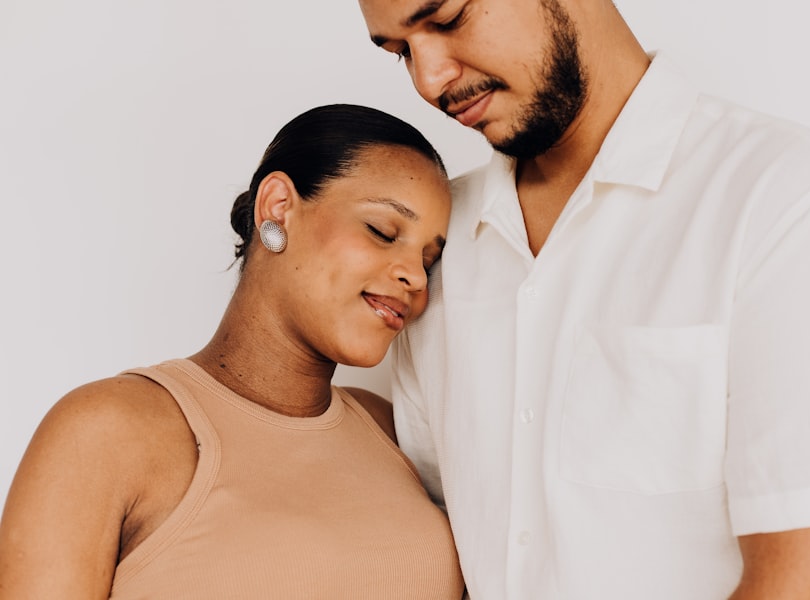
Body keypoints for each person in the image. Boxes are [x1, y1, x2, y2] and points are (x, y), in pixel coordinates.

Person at [356, 1, 810, 598]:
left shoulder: (785, 201)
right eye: (401, 52)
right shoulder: (429, 249)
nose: (430, 80)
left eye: (448, 18)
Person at [0, 104, 465, 599]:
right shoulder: (106, 430)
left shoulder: (393, 430)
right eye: (383, 231)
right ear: (278, 207)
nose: (416, 278)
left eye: (429, 259)